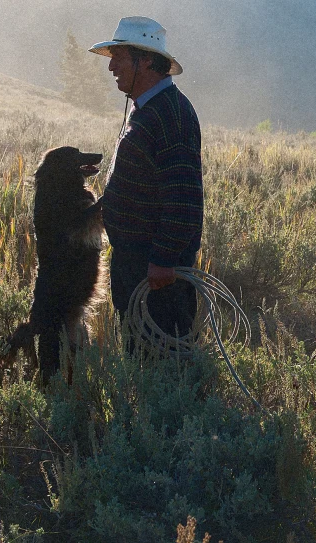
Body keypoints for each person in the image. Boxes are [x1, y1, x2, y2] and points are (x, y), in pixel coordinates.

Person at [89, 17, 203, 344]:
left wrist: (164, 260)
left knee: (163, 356)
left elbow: (184, 199)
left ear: (146, 61)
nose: (111, 67)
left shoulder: (170, 115)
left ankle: (167, 396)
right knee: (143, 350)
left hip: (155, 270)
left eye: (118, 57)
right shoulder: (154, 109)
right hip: (140, 263)